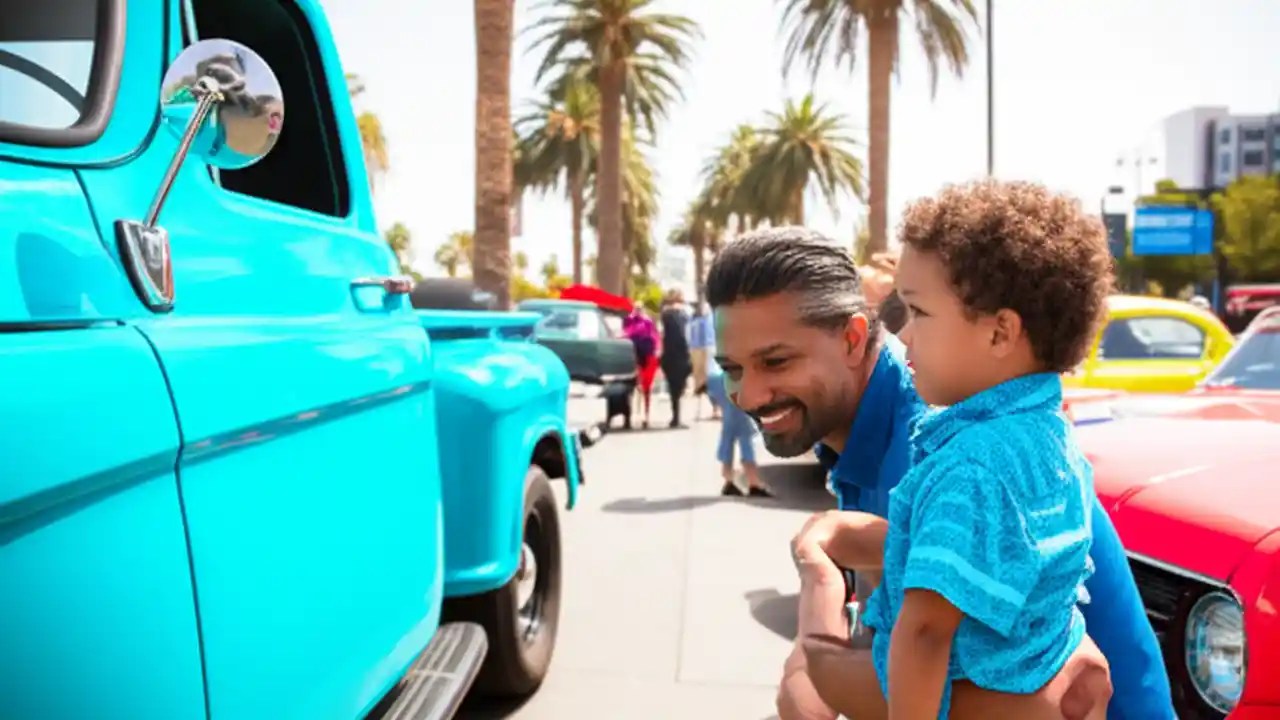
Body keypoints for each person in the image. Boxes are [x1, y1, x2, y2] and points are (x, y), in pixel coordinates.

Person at [705, 219, 1174, 719]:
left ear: (851, 340)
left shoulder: (940, 449)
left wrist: (818, 666)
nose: (748, 396)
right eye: (733, 369)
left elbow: (1058, 696)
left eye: (776, 362)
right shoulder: (886, 430)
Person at [705, 366, 773, 497]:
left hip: (722, 381)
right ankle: (752, 482)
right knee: (744, 436)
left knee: (729, 436)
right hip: (735, 385)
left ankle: (728, 478)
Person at [659, 289, 694, 428]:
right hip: (681, 355)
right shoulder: (683, 314)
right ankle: (676, 417)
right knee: (678, 388)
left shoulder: (666, 314)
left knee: (673, 389)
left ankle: (675, 417)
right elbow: (684, 336)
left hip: (669, 355)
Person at [623, 304, 660, 429]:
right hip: (636, 358)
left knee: (645, 388)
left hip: (645, 358)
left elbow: (655, 340)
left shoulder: (646, 323)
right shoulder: (630, 321)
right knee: (639, 388)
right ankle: (637, 415)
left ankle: (644, 415)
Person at [688, 300, 719, 419]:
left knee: (712, 378)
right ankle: (705, 408)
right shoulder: (693, 319)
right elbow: (689, 335)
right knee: (699, 381)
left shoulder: (712, 317)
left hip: (710, 349)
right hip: (696, 349)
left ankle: (716, 407)